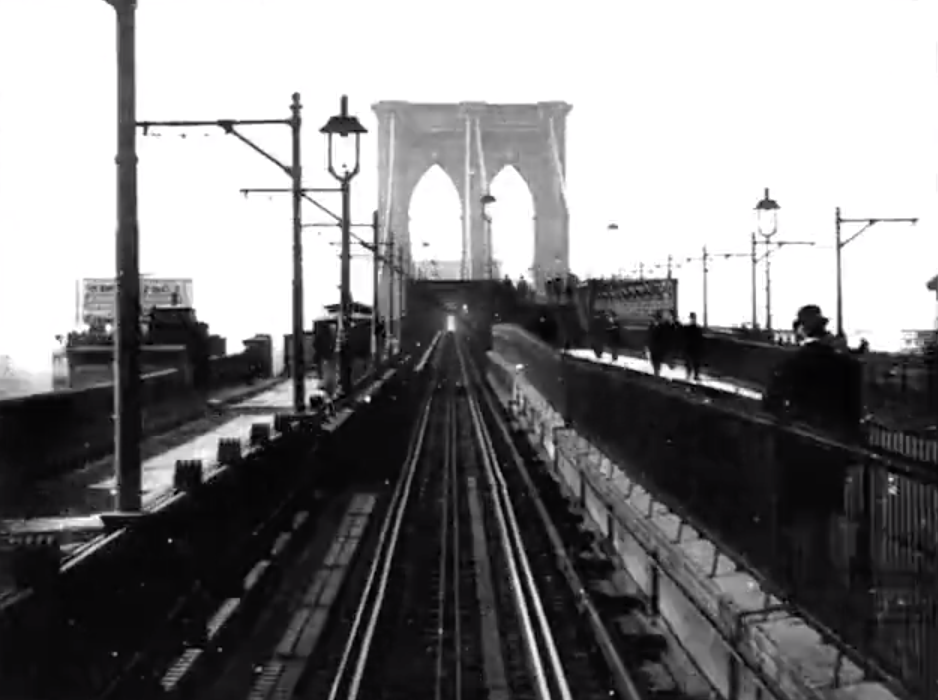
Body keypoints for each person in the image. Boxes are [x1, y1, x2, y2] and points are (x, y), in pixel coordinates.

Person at [763, 304, 863, 600]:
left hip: (795, 451)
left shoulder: (788, 364)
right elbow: (853, 412)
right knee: (824, 512)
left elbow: (769, 405)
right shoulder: (846, 366)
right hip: (832, 452)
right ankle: (822, 577)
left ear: (800, 330)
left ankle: (794, 583)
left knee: (792, 513)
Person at [682, 311, 704, 381]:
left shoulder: (696, 327)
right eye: (692, 318)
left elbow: (700, 338)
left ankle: (695, 375)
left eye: (693, 318)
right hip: (689, 347)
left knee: (696, 362)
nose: (693, 319)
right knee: (689, 362)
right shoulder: (689, 328)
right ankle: (689, 375)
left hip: (694, 347)